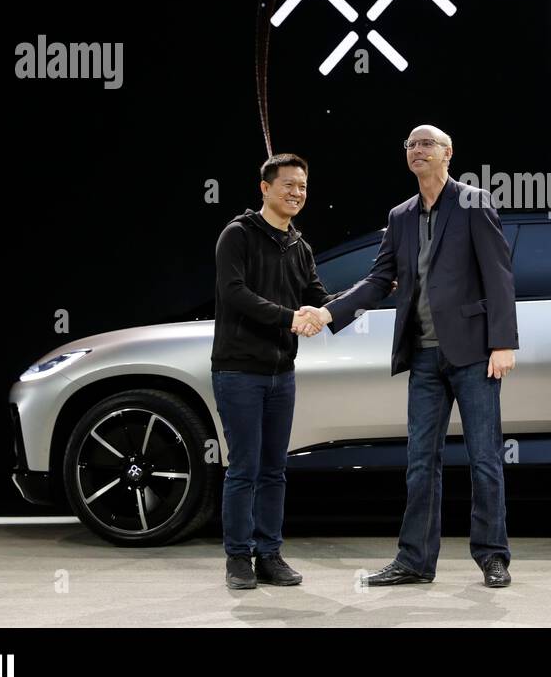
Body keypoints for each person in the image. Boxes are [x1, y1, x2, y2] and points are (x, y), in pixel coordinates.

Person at [296, 125, 518, 587]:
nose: (417, 151)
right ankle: (415, 560)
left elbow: (499, 275)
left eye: (427, 144)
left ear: (448, 153)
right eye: (411, 145)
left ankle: (492, 556)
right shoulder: (400, 216)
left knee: (484, 458)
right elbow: (379, 280)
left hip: (474, 353)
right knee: (420, 462)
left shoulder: (474, 202)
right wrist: (328, 311)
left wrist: (503, 343)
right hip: (423, 357)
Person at [211, 152, 333, 590]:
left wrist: (371, 290)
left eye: (302, 186)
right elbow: (234, 293)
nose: (297, 193)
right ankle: (237, 559)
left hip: (283, 373)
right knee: (243, 467)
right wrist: (290, 318)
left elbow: (320, 296)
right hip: (238, 371)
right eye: (288, 185)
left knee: (274, 469)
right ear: (265, 188)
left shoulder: (299, 245)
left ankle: (270, 554)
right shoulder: (237, 236)